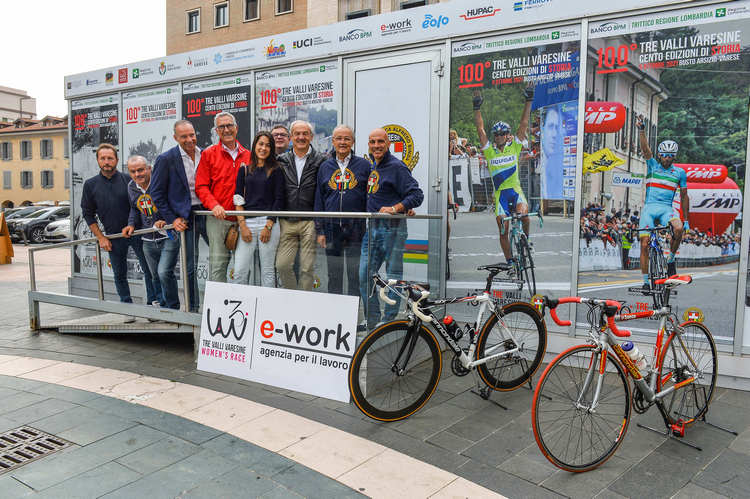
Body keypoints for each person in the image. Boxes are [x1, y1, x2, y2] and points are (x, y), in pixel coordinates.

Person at [80, 144, 157, 323]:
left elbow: (140, 205)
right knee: (119, 274)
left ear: (116, 160)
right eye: (103, 158)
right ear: (98, 160)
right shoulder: (90, 185)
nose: (107, 162)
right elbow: (87, 213)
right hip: (112, 237)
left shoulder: (128, 180)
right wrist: (101, 238)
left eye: (110, 158)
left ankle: (153, 305)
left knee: (149, 270)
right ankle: (126, 307)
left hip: (138, 232)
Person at [359, 128, 424, 326]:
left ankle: (389, 321)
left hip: (392, 228)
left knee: (393, 278)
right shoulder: (372, 166)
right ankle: (372, 321)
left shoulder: (397, 167)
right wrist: (402, 205)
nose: (376, 145)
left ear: (388, 144)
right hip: (372, 228)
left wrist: (397, 208)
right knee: (364, 275)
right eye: (372, 142)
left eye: (380, 142)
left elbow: (417, 195)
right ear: (368, 145)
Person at [473, 85, 534, 270]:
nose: (499, 136)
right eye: (496, 134)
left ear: (508, 135)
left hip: (515, 191)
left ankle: (525, 242)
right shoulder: (490, 151)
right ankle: (510, 261)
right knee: (503, 229)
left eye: (502, 133)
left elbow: (523, 124)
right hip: (500, 195)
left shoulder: (514, 146)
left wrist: (528, 100)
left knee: (524, 216)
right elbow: (480, 129)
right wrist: (477, 107)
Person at [151, 119, 202, 312]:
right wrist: (173, 219)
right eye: (184, 136)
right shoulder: (166, 159)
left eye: (192, 135)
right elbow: (156, 193)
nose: (189, 139)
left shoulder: (203, 154)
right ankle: (193, 308)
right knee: (190, 266)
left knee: (219, 258)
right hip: (184, 218)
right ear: (175, 138)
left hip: (206, 212)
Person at [314, 125, 370, 296]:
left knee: (355, 275)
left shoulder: (364, 165)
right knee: (334, 274)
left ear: (352, 141)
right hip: (332, 229)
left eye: (347, 138)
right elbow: (319, 199)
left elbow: (372, 196)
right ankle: (334, 316)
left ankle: (352, 317)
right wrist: (320, 230)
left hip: (356, 229)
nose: (343, 142)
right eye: (339, 138)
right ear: (333, 141)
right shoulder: (325, 166)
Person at [196, 112, 251, 283]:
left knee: (243, 268)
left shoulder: (249, 155)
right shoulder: (208, 154)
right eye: (222, 127)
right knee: (218, 267)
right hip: (218, 219)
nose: (226, 130)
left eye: (229, 125)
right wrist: (214, 205)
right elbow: (201, 186)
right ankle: (218, 307)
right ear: (216, 131)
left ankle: (243, 306)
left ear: (236, 128)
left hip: (244, 220)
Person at [636, 115, 689, 288]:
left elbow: (684, 197)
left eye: (670, 156)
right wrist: (641, 130)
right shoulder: (652, 166)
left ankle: (671, 259)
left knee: (679, 228)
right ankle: (645, 282)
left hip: (667, 209)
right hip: (650, 209)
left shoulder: (679, 173)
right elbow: (645, 150)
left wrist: (686, 220)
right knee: (644, 244)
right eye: (664, 155)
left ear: (674, 157)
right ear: (659, 154)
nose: (666, 158)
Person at [276, 120, 326, 290]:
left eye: (305, 134)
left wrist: (320, 225)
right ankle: (292, 298)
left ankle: (303, 304)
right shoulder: (281, 160)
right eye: (297, 134)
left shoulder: (321, 160)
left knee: (306, 268)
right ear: (291, 137)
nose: (301, 137)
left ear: (311, 136)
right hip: (287, 221)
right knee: (282, 265)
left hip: (309, 221)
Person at [233, 131, 285, 287]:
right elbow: (238, 199)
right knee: (239, 270)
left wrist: (268, 226)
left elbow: (279, 200)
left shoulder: (276, 170)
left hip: (268, 223)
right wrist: (242, 226)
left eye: (268, 145)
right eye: (260, 144)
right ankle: (241, 306)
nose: (263, 148)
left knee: (268, 271)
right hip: (247, 223)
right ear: (255, 145)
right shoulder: (244, 170)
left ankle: (267, 308)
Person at [122, 156, 169, 311]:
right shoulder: (131, 186)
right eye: (133, 171)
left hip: (166, 235)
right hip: (147, 238)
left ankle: (170, 306)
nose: (137, 174)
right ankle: (160, 304)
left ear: (149, 168)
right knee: (154, 274)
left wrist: (163, 219)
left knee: (164, 272)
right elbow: (134, 209)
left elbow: (171, 202)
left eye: (141, 170)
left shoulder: (159, 181)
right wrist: (130, 224)